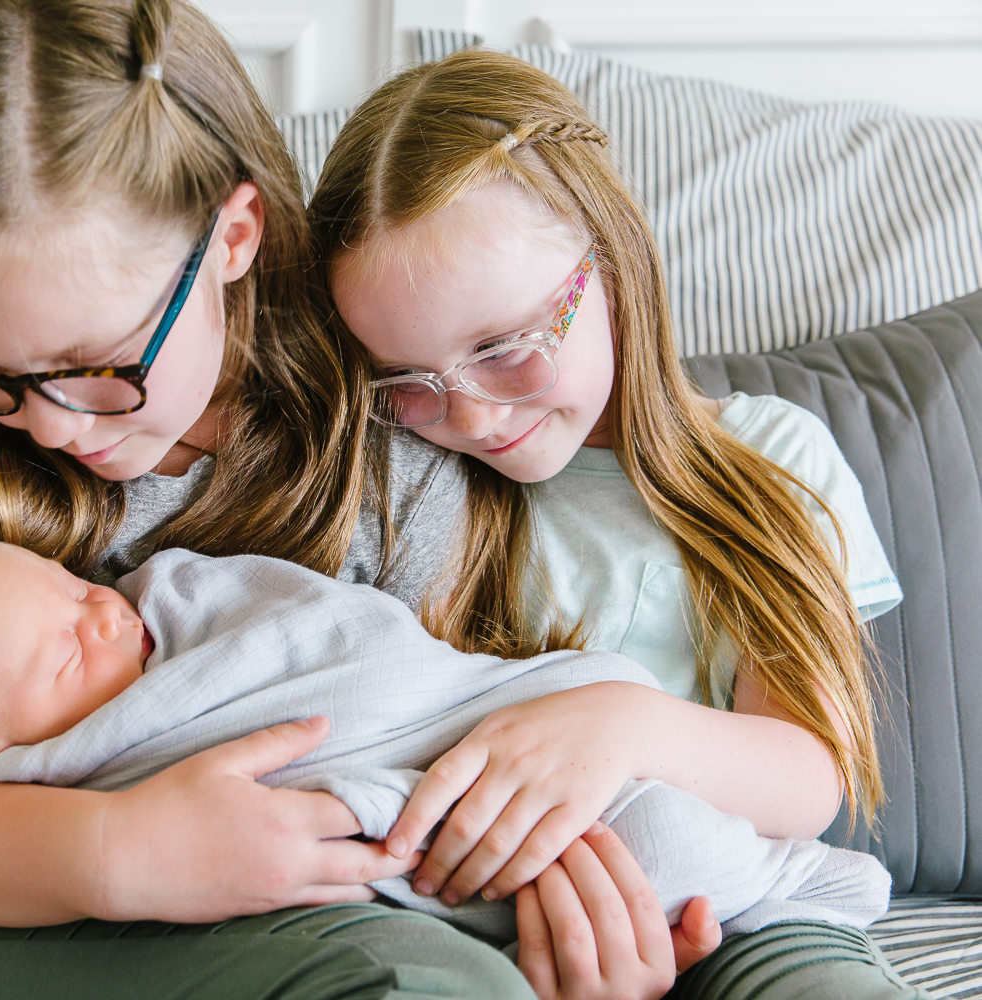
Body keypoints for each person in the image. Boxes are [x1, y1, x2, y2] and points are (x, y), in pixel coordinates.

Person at [0, 2, 726, 998]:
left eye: (97, 365)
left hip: (322, 918)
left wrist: (564, 924)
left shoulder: (384, 430)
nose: (56, 425)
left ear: (233, 233)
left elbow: (429, 750)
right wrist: (117, 850)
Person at [308, 47, 918, 1000]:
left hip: (752, 908)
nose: (470, 418)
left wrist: (622, 726)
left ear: (613, 257)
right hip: (488, 921)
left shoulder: (770, 457)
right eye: (408, 384)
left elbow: (809, 775)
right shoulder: (414, 488)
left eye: (505, 350)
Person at [0, 538, 892, 942]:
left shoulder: (176, 593)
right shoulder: (27, 764)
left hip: (542, 730)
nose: (97, 612)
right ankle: (777, 893)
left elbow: (359, 657)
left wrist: (619, 715)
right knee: (661, 848)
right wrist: (118, 847)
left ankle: (784, 903)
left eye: (66, 581)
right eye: (61, 653)